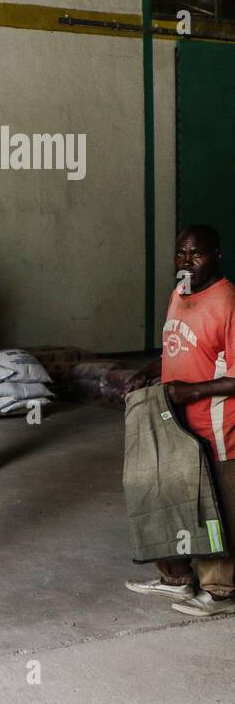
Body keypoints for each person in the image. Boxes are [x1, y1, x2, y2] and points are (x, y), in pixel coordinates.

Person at [123, 225, 235, 617]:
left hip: (215, 428)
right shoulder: (180, 293)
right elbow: (179, 346)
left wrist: (191, 391)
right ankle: (176, 578)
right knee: (167, 497)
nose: (186, 262)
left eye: (196, 254)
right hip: (173, 422)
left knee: (217, 510)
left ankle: (220, 592)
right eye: (180, 254)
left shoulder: (228, 302)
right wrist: (150, 369)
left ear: (217, 255)